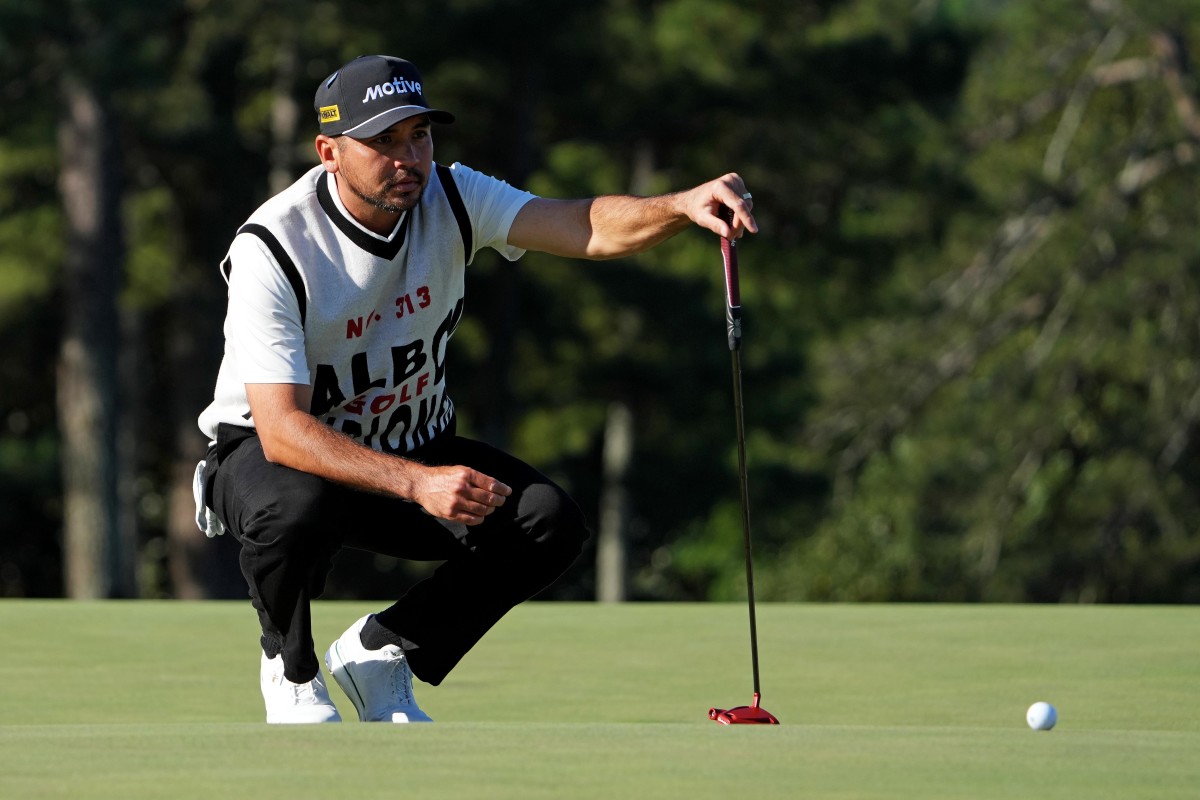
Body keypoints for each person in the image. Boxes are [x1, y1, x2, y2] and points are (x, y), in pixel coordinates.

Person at [193, 54, 757, 724]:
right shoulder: (276, 245)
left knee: (547, 523)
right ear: (330, 153)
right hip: (272, 456)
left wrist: (681, 205)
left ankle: (382, 652)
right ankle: (291, 667)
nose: (409, 157)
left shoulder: (454, 196)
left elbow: (586, 227)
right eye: (383, 142)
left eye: (419, 136)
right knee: (295, 503)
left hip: (406, 448)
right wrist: (417, 485)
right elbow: (283, 429)